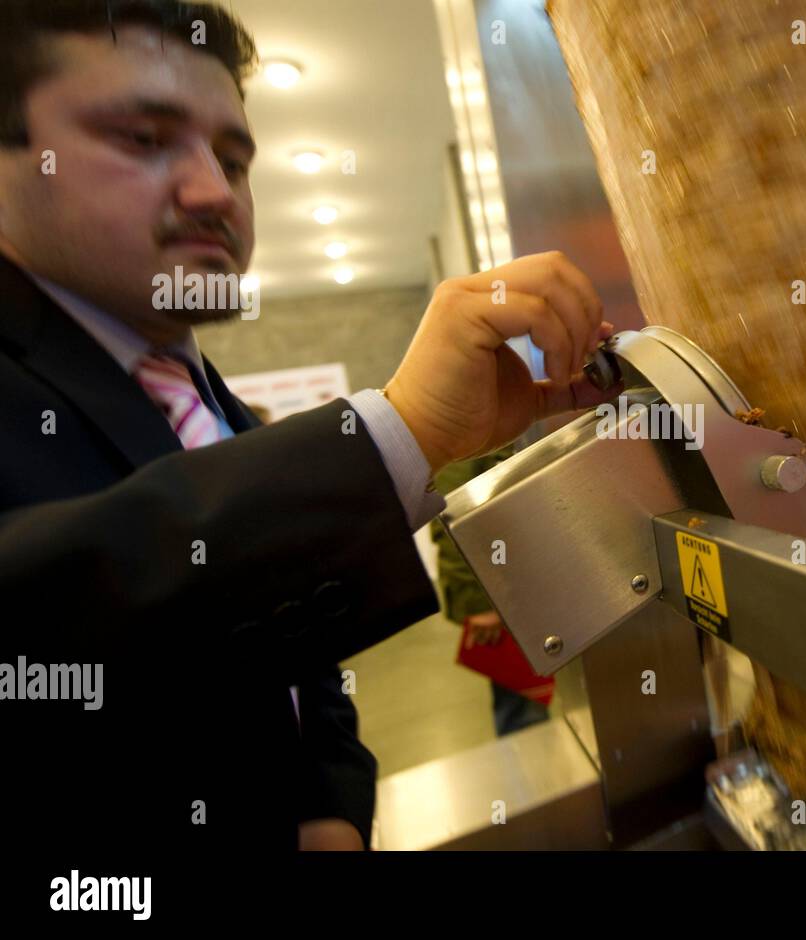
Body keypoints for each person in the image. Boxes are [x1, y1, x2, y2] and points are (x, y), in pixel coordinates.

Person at [0, 0, 616, 853]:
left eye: (233, 156)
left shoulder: (213, 407)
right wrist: (400, 429)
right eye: (144, 139)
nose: (215, 190)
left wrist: (326, 802)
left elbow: (289, 648)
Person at [433, 450, 551, 737]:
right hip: (509, 592)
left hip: (551, 576)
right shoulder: (474, 417)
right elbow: (452, 509)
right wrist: (477, 600)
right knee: (524, 710)